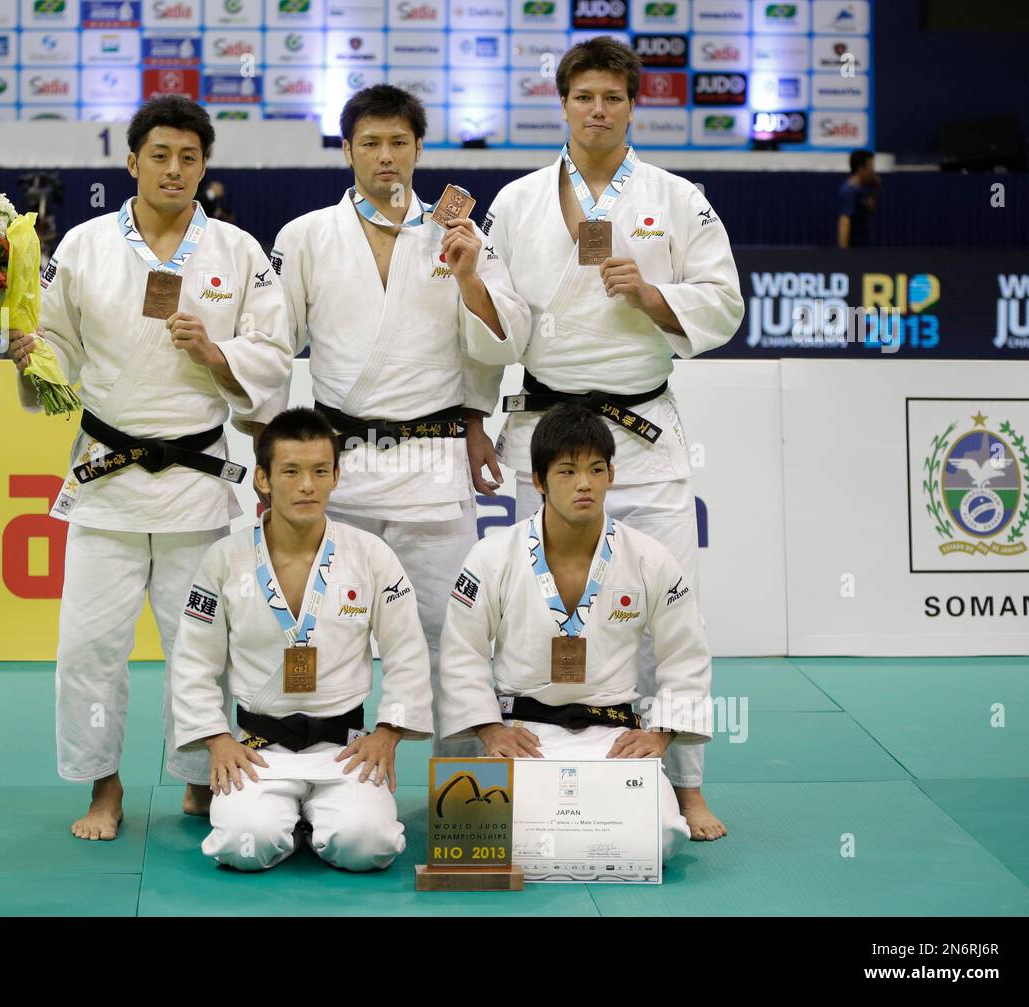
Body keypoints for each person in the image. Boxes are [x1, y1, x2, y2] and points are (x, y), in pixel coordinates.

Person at [6, 96, 293, 840]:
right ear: (132, 162)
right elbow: (60, 352)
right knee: (89, 647)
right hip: (106, 479)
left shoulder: (237, 250)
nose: (174, 169)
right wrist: (33, 355)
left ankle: (200, 779)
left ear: (204, 166)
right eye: (159, 155)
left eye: (189, 158)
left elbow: (272, 355)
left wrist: (216, 352)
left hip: (199, 485)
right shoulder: (84, 244)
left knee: (198, 642)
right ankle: (105, 786)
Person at [481, 37, 741, 840]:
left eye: (614, 98)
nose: (599, 110)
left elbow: (725, 303)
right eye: (585, 96)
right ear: (562, 102)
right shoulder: (518, 202)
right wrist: (465, 284)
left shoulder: (677, 197)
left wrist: (655, 295)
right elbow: (496, 323)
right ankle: (515, 757)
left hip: (643, 430)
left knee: (672, 605)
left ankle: (686, 779)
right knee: (535, 599)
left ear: (634, 106)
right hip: (548, 429)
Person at [251, 84, 531, 755]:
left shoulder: (458, 233)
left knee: (448, 634)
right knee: (320, 626)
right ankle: (309, 774)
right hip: (336, 470)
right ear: (346, 149)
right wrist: (266, 446)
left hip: (430, 466)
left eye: (398, 143)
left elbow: (503, 338)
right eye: (370, 143)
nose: (385, 157)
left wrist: (468, 281)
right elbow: (267, 343)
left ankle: (458, 798)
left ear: (418, 148)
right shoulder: (307, 236)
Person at [438, 404, 713, 862]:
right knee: (477, 833)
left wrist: (660, 734)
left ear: (611, 476)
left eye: (596, 470)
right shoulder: (492, 556)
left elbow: (686, 653)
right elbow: (460, 651)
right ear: (540, 482)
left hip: (612, 735)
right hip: (521, 731)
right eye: (567, 471)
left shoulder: (649, 558)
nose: (584, 483)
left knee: (662, 836)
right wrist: (488, 730)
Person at [171, 408, 433, 871]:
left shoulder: (371, 555)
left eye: (318, 471)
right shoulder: (224, 558)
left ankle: (314, 822)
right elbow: (193, 660)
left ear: (336, 475)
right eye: (290, 471)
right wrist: (216, 738)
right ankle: (292, 823)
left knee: (367, 846)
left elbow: (407, 651)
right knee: (242, 845)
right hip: (257, 748)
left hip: (346, 748)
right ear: (264, 479)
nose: (307, 485)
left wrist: (389, 731)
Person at [836, 149, 879, 249]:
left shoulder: (862, 189)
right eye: (871, 167)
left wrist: (876, 188)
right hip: (854, 252)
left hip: (863, 247)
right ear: (861, 169)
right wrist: (845, 255)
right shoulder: (849, 191)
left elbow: (871, 209)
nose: (873, 171)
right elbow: (844, 222)